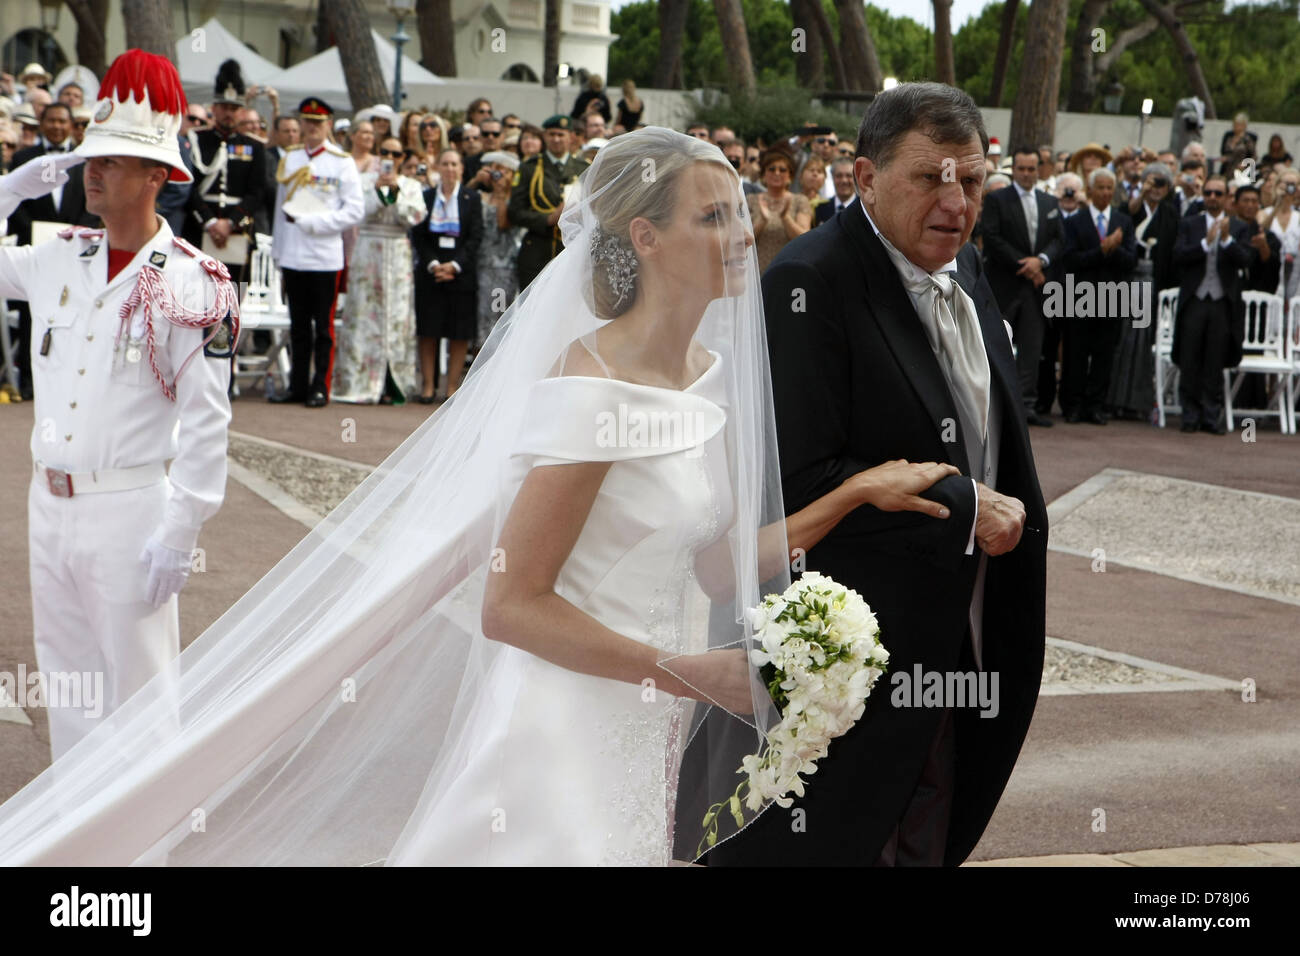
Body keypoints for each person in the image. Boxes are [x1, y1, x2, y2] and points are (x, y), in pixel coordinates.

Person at [0, 127, 966, 866]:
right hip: (559, 723)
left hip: (643, 724)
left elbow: (707, 561)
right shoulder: (591, 390)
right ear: (646, 237)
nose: (743, 232)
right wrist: (688, 671)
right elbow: (512, 605)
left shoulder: (707, 374)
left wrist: (847, 501)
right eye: (712, 217)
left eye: (739, 209)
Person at [710, 82, 1047, 868]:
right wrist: (963, 504)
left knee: (932, 822)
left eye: (972, 178)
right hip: (860, 650)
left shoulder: (964, 270)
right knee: (852, 835)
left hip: (962, 621)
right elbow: (800, 478)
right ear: (863, 178)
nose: (956, 200)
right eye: (929, 177)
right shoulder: (809, 283)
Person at [0, 48, 237, 760]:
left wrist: (183, 527)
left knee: (139, 701)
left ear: (157, 177)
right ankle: (83, 848)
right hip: (51, 502)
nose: (90, 171)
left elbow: (207, 419)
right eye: (88, 158)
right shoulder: (57, 258)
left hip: (131, 510)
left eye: (110, 160)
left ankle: (147, 855)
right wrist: (8, 191)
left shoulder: (194, 282)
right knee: (69, 691)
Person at [270, 97, 365, 408]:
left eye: (317, 123)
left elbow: (354, 211)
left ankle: (320, 385)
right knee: (297, 326)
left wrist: (315, 223)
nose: (311, 128)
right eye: (307, 122)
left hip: (325, 256)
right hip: (295, 254)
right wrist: (278, 253)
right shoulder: (292, 158)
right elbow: (280, 212)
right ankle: (297, 385)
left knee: (322, 328)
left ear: (328, 125)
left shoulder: (341, 162)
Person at [6, 102, 98, 400]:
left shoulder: (83, 160)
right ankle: (29, 383)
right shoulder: (24, 157)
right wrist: (38, 233)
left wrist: (74, 234)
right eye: (52, 120)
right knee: (31, 317)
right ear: (42, 123)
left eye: (63, 121)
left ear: (71, 125)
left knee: (76, 314)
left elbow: (92, 205)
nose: (58, 126)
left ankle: (70, 383)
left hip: (75, 248)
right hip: (31, 247)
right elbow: (16, 204)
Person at [331, 136, 425, 405]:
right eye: (385, 153)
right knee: (364, 312)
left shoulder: (411, 185)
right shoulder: (362, 181)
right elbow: (359, 213)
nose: (390, 159)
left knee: (397, 316)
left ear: (402, 158)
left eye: (396, 154)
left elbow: (413, 217)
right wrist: (377, 191)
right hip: (368, 247)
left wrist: (395, 192)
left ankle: (394, 383)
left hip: (397, 251)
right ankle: (360, 382)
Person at [981, 144, 1064, 427]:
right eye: (1022, 169)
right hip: (1004, 286)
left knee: (1032, 349)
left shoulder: (1050, 203)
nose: (1027, 174)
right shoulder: (997, 199)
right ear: (1013, 169)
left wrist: (1040, 260)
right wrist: (1025, 265)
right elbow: (991, 238)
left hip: (1036, 291)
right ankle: (992, 404)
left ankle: (1025, 406)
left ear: (1039, 170)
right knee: (996, 346)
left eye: (1032, 169)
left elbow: (1058, 240)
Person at [1171, 174, 1252, 434]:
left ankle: (1210, 415)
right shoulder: (1190, 224)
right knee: (1190, 356)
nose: (1212, 198)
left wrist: (1227, 241)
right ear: (1203, 196)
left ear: (1227, 197)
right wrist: (1205, 243)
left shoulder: (1238, 227)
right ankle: (1189, 414)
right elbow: (1178, 256)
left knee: (1214, 359)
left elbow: (1246, 260)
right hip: (1195, 298)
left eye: (1218, 193)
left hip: (1221, 301)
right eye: (1208, 193)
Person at [1059, 168, 1136, 425]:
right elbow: (1069, 259)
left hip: (1112, 297)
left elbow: (1131, 260)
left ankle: (1096, 406)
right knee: (1076, 353)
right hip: (1080, 296)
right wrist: (1102, 249)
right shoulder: (1074, 221)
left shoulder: (1123, 222)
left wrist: (1113, 249)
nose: (1104, 192)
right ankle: (1073, 404)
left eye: (1109, 188)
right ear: (1090, 191)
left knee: (1104, 354)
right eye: (1100, 187)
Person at [183, 59, 265, 291]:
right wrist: (210, 222)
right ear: (215, 108)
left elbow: (256, 192)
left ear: (242, 111)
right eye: (225, 107)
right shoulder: (196, 140)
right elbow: (189, 186)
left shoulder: (254, 147)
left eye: (235, 108)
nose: (229, 113)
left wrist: (229, 223)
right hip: (199, 229)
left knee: (232, 299)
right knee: (195, 298)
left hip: (237, 231)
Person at [1107, 162, 1178, 421]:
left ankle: (1136, 401)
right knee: (1121, 342)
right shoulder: (1131, 208)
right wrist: (1141, 193)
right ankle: (1113, 398)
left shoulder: (1171, 214)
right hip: (1126, 282)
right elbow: (1126, 213)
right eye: (1152, 182)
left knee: (1142, 344)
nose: (1156, 188)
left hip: (1154, 284)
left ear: (1169, 188)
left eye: (1161, 183)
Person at [413, 149, 482, 402]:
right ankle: (428, 385)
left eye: (454, 163)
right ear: (438, 167)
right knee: (429, 329)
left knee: (458, 331)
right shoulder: (427, 196)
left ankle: (452, 387)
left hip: (460, 273)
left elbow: (476, 237)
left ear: (461, 168)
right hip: (430, 271)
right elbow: (418, 234)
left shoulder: (471, 198)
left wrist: (454, 265)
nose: (450, 168)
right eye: (445, 164)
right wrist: (433, 264)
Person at [508, 115, 587, 290]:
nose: (556, 139)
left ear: (571, 137)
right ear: (545, 136)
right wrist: (548, 219)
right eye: (552, 134)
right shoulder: (529, 167)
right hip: (537, 252)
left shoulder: (583, 168)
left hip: (571, 251)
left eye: (561, 134)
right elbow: (515, 212)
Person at [469, 149, 521, 350]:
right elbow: (460, 204)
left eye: (503, 171)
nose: (497, 175)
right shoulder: (480, 196)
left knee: (497, 318)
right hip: (479, 266)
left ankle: (494, 362)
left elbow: (503, 223)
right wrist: (475, 181)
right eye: (494, 169)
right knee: (479, 319)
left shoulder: (515, 200)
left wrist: (501, 193)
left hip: (503, 271)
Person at [747, 147, 811, 273]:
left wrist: (785, 217)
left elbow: (805, 239)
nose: (777, 173)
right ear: (764, 174)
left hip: (789, 270)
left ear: (790, 176)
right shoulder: (751, 200)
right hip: (757, 273)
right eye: (771, 169)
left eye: (782, 170)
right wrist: (762, 221)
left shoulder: (800, 200)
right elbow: (743, 241)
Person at [1261, 167, 1300, 302]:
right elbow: (1261, 228)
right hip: (1271, 272)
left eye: (1293, 185)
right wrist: (1279, 201)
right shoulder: (1265, 213)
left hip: (1295, 273)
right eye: (1286, 184)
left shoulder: (1298, 216)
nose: (1289, 188)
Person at [815, 157, 858, 225]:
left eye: (849, 176)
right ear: (832, 177)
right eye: (839, 176)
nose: (844, 180)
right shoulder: (821, 208)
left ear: (856, 178)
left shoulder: (865, 208)